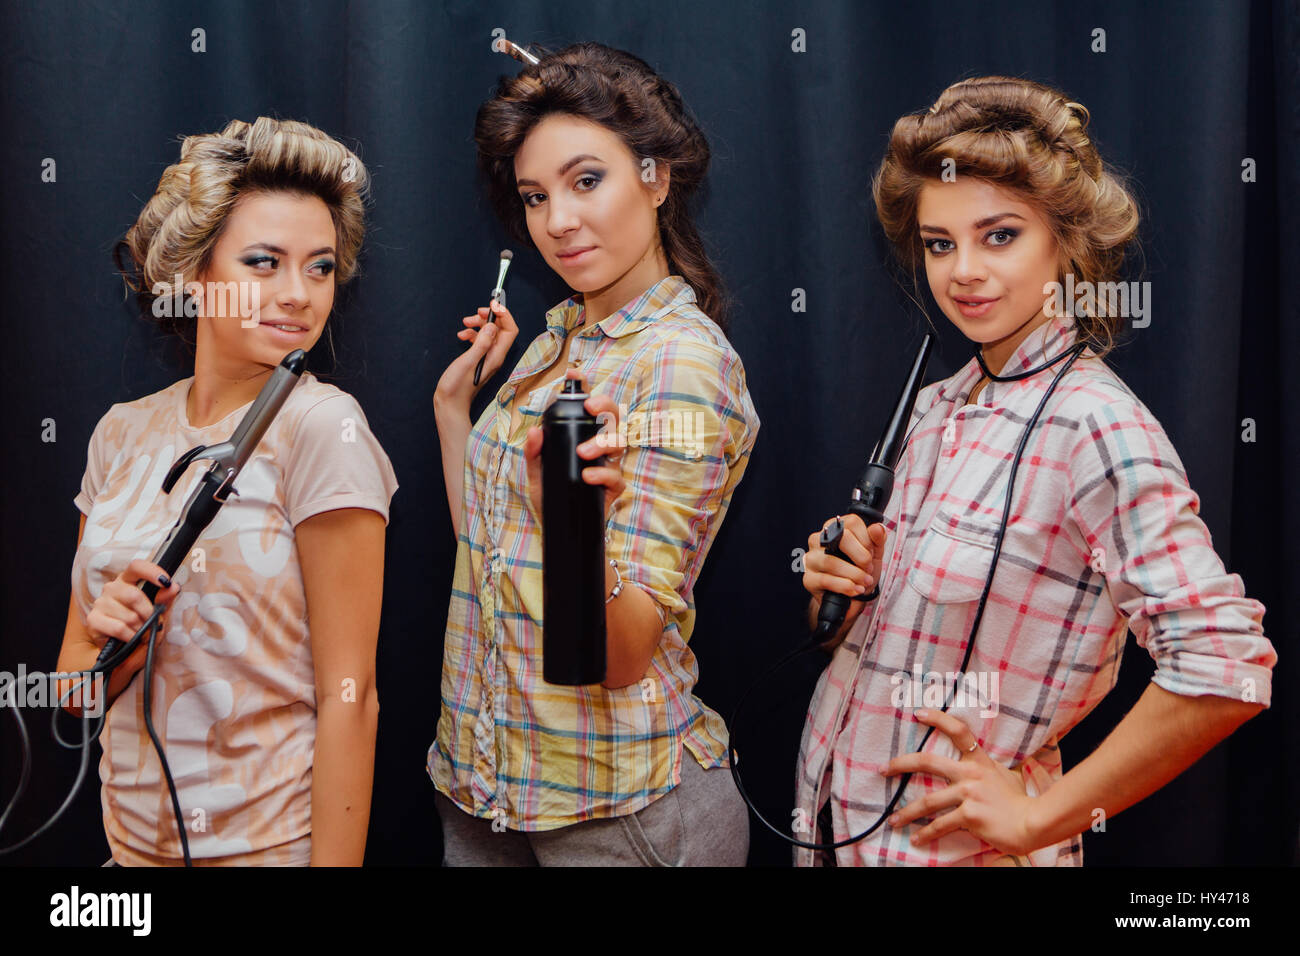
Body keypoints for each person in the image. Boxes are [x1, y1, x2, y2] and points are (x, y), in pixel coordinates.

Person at [795, 76, 1277, 866]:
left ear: (1066, 238)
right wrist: (858, 596)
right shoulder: (939, 405)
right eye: (940, 243)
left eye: (1000, 235)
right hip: (841, 834)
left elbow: (1226, 668)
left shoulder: (1097, 425)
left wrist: (1040, 818)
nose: (963, 272)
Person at [429, 42, 760, 866]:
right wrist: (451, 409)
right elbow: (491, 552)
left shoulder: (680, 365)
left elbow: (617, 654)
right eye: (536, 196)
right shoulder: (559, 341)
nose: (558, 221)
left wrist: (563, 517)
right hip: (488, 787)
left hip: (618, 811)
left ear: (656, 176)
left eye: (586, 181)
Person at [56, 117, 398, 866]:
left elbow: (354, 700)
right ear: (194, 275)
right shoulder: (120, 433)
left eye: (319, 267)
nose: (298, 294)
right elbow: (72, 698)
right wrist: (107, 640)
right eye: (263, 262)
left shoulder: (323, 429)